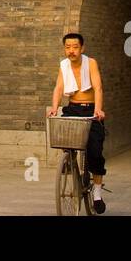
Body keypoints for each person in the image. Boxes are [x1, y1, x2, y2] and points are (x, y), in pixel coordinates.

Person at [48, 32, 106, 214]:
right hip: (73, 107)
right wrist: (54, 106)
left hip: (90, 109)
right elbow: (58, 87)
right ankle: (69, 158)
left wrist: (98, 109)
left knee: (95, 152)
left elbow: (98, 87)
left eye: (75, 47)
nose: (71, 51)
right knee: (64, 132)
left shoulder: (91, 63)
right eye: (67, 47)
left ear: (82, 48)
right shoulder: (64, 66)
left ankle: (97, 192)